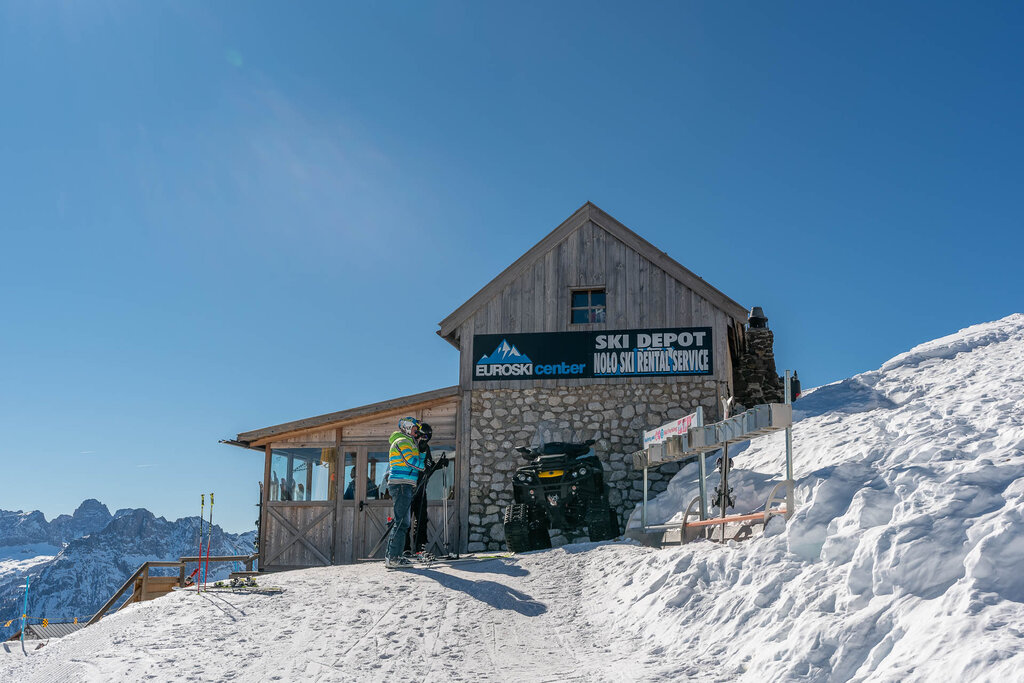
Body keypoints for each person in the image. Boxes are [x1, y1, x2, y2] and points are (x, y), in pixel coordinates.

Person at [384, 417, 425, 567]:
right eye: (415, 428)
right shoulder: (401, 442)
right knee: (402, 522)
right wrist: (424, 466)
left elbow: (417, 459)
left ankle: (393, 556)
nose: (417, 431)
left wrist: (421, 447)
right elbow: (410, 461)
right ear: (407, 427)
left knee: (402, 521)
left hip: (406, 484)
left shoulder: (410, 443)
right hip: (400, 484)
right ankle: (394, 558)